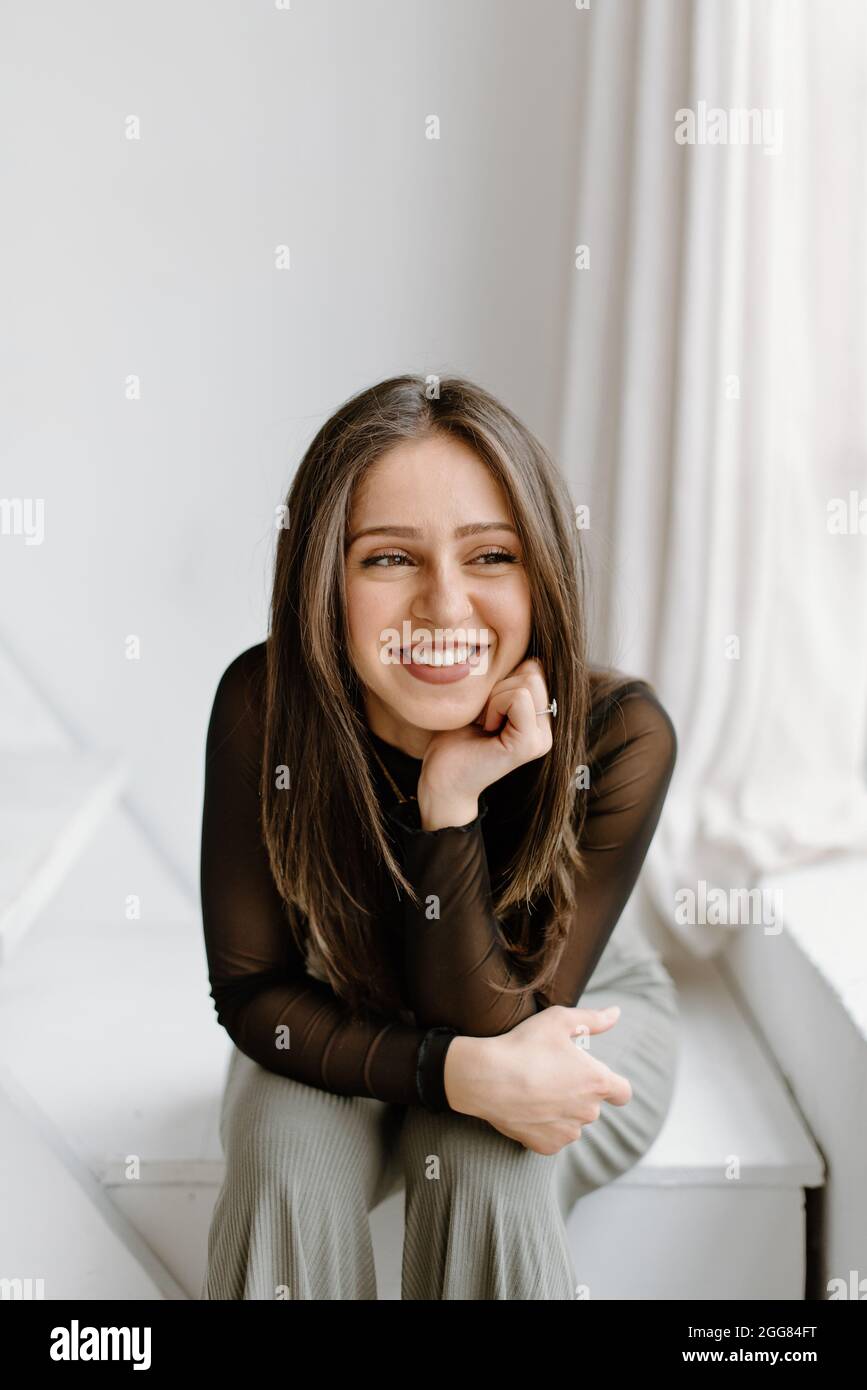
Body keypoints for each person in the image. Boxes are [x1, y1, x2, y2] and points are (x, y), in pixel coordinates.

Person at [199, 373, 679, 1300]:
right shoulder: (265, 706)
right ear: (323, 581)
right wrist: (445, 1070)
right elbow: (257, 989)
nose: (446, 606)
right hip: (328, 996)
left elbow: (511, 1029)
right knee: (285, 1154)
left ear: (542, 571)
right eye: (388, 560)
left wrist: (449, 802)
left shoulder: (618, 732)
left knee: (480, 1155)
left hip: (569, 999)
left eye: (491, 555)